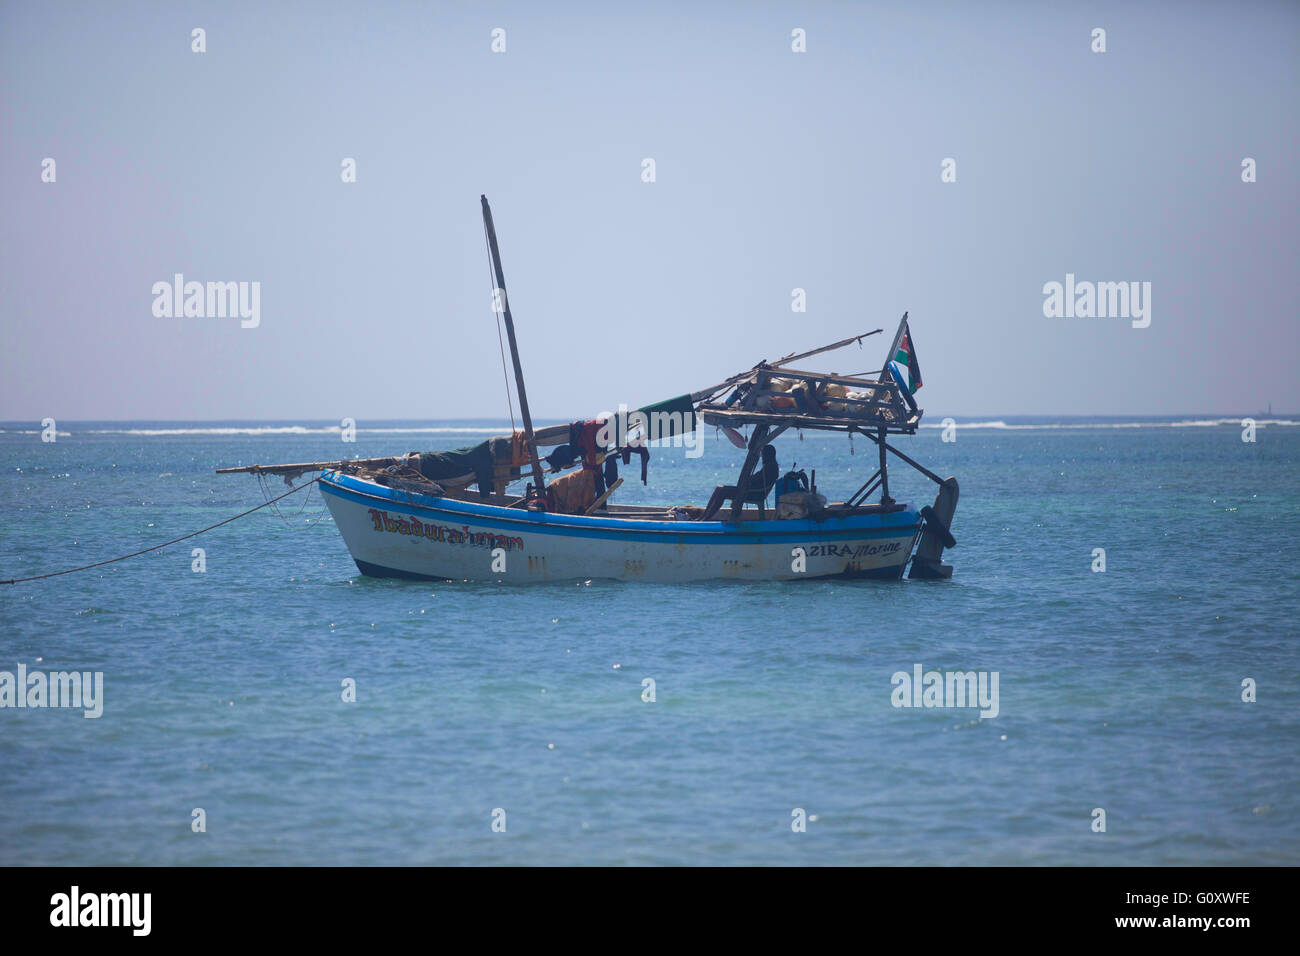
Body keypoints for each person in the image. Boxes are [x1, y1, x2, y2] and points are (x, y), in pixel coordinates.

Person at [700, 445, 780, 520]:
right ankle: (704, 515)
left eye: (763, 454)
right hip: (751, 491)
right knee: (719, 488)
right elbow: (755, 479)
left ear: (768, 455)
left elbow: (754, 479)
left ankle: (706, 518)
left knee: (722, 492)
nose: (762, 456)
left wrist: (748, 479)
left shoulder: (770, 468)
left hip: (754, 494)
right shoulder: (770, 466)